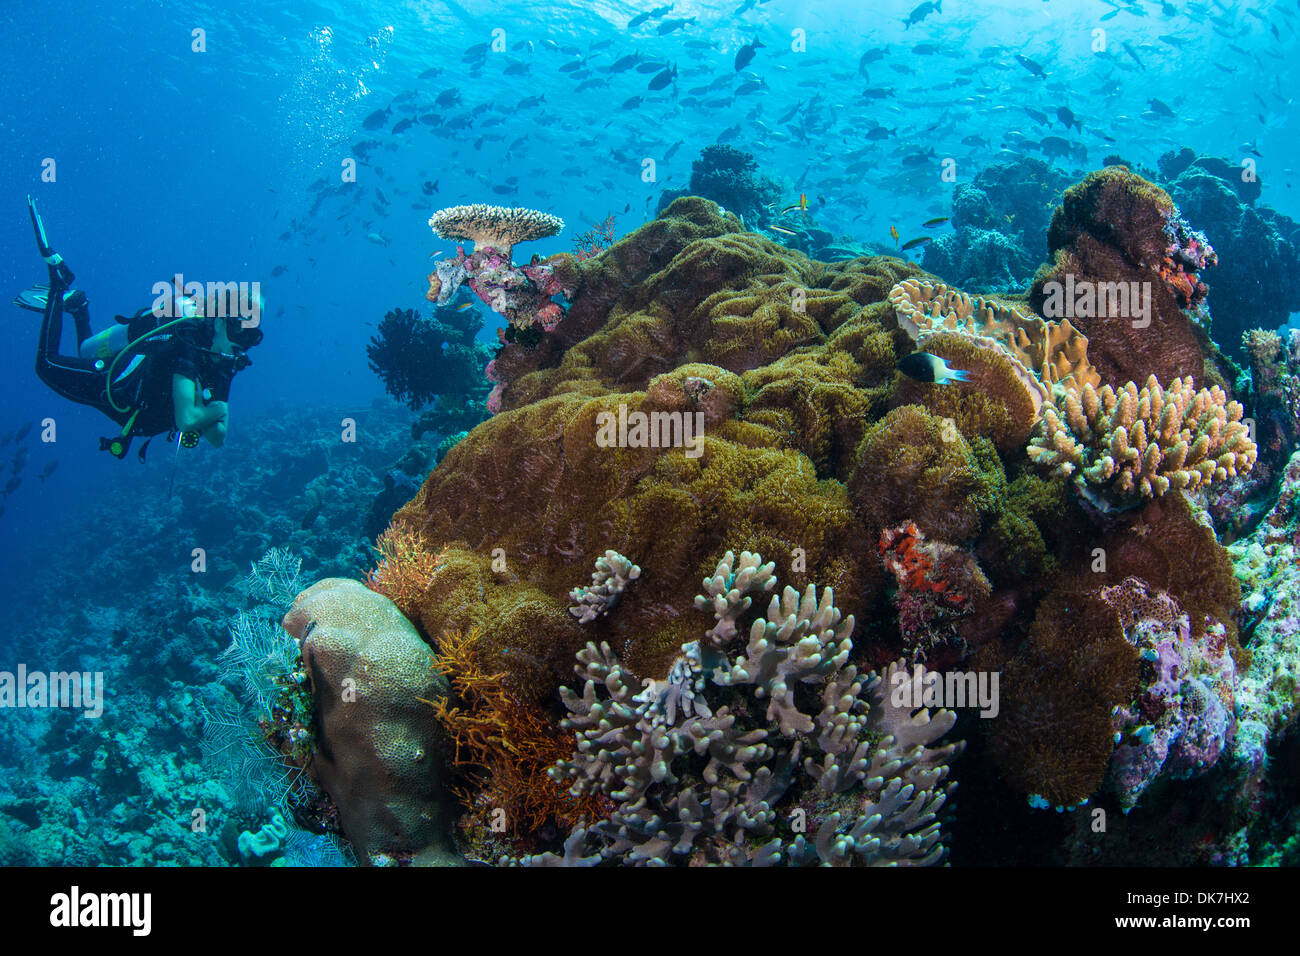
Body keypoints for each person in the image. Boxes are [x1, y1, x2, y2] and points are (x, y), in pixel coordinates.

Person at [13, 197, 262, 460]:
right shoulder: (188, 343)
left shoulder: (226, 363)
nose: (243, 342)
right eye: (239, 330)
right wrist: (219, 409)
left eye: (253, 336)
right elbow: (188, 419)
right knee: (46, 364)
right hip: (117, 386)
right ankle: (58, 283)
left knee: (86, 353)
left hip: (130, 411)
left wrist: (213, 413)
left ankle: (79, 307)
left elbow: (217, 438)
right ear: (222, 321)